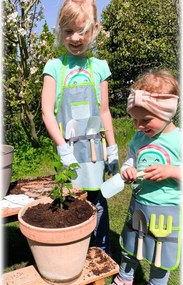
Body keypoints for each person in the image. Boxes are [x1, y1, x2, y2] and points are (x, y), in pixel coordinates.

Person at [41, 0, 119, 254]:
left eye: (82, 31)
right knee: (72, 202)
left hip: (94, 150)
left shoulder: (99, 67)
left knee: (97, 200)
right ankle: (73, 251)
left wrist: (113, 146)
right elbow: (47, 112)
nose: (75, 38)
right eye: (68, 31)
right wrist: (62, 149)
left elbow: (104, 111)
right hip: (68, 151)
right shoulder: (54, 67)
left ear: (95, 29)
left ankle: (100, 251)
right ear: (59, 30)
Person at [111, 69, 181, 285]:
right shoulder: (139, 138)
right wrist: (128, 169)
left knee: (161, 251)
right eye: (134, 120)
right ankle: (125, 277)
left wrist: (172, 172)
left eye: (145, 120)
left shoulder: (178, 141)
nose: (139, 126)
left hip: (166, 209)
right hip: (139, 204)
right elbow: (131, 159)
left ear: (167, 113)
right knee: (131, 243)